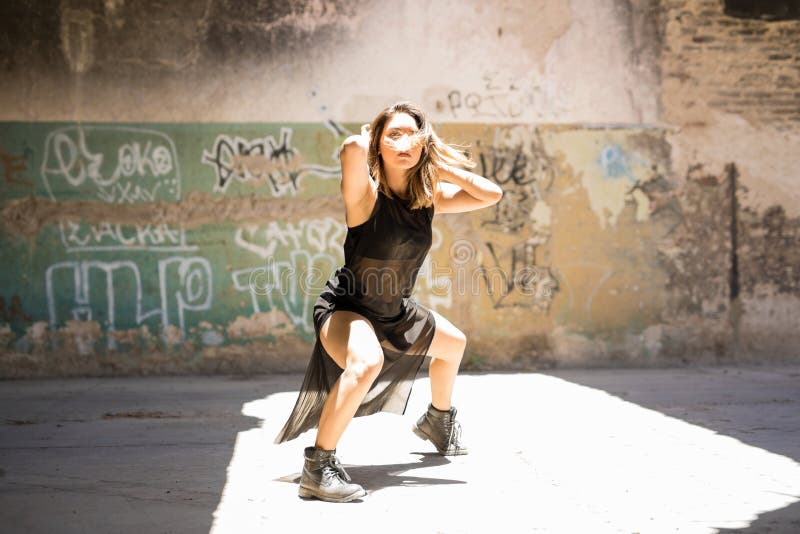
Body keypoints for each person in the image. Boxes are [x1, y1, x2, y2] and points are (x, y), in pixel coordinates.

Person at [274, 101, 503, 503]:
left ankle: (438, 421)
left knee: (454, 345)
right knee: (367, 362)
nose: (405, 142)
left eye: (414, 134)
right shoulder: (365, 196)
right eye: (393, 134)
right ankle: (318, 467)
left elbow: (491, 194)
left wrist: (440, 165)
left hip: (393, 310)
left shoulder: (427, 199)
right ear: (377, 144)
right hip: (348, 307)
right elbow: (350, 148)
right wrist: (366, 140)